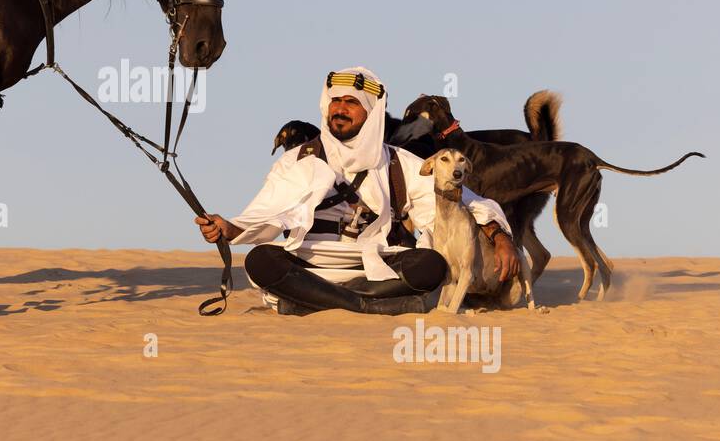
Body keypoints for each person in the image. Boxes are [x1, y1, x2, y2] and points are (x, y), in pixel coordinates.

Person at [195, 66, 518, 316]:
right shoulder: (298, 160)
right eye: (336, 101)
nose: (340, 109)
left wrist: (499, 236)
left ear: (371, 112)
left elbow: (460, 203)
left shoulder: (398, 162)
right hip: (309, 265)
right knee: (261, 260)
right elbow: (263, 215)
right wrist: (228, 227)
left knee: (430, 265)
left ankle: (312, 305)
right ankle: (365, 307)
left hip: (376, 266)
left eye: (351, 102)